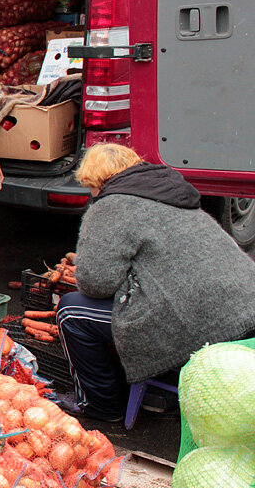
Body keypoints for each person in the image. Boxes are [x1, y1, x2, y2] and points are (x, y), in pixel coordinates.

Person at [55, 143, 255, 421]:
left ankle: (101, 405)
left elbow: (95, 283)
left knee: (71, 311)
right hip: (245, 310)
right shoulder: (172, 191)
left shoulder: (111, 205)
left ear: (95, 181)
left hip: (206, 324)